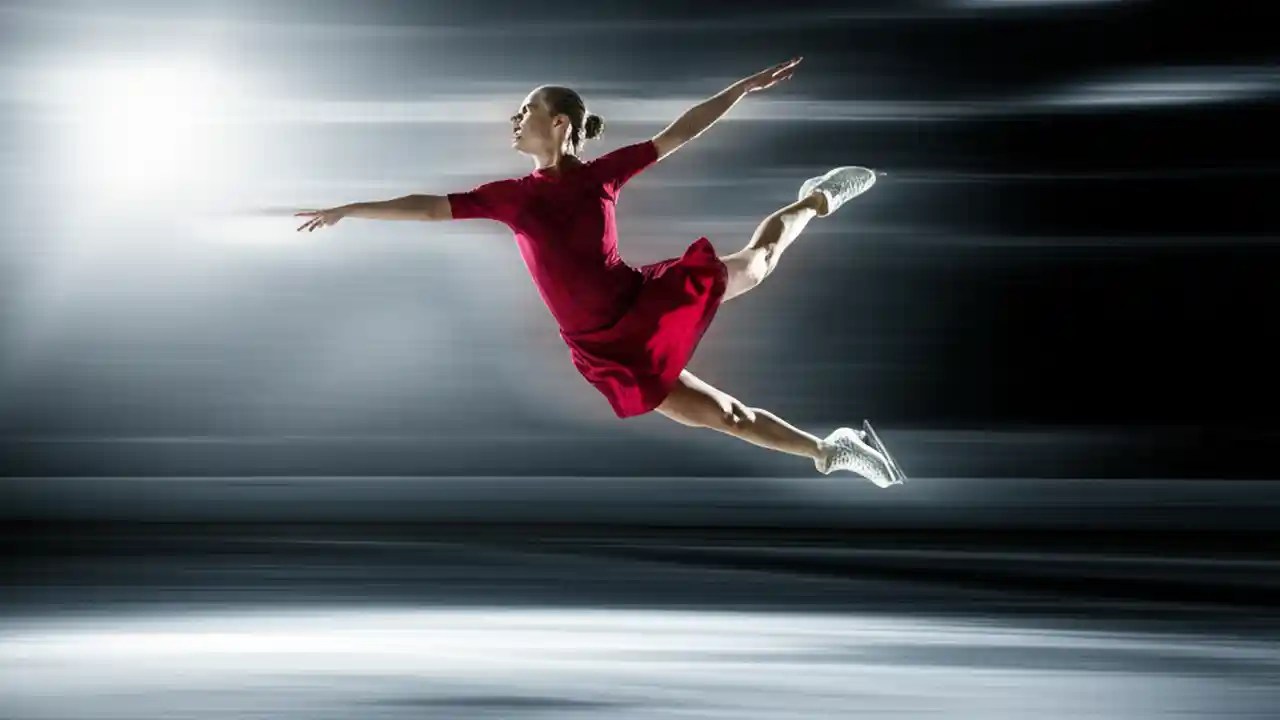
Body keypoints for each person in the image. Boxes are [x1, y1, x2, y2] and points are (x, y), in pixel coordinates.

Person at [295, 57, 901, 487]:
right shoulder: (511, 197)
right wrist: (350, 209)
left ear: (559, 122)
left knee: (760, 263)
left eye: (527, 110)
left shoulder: (600, 176)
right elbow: (429, 207)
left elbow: (680, 132)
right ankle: (831, 450)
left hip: (643, 302)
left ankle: (816, 197)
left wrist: (741, 89)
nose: (515, 119)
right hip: (604, 349)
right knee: (727, 417)